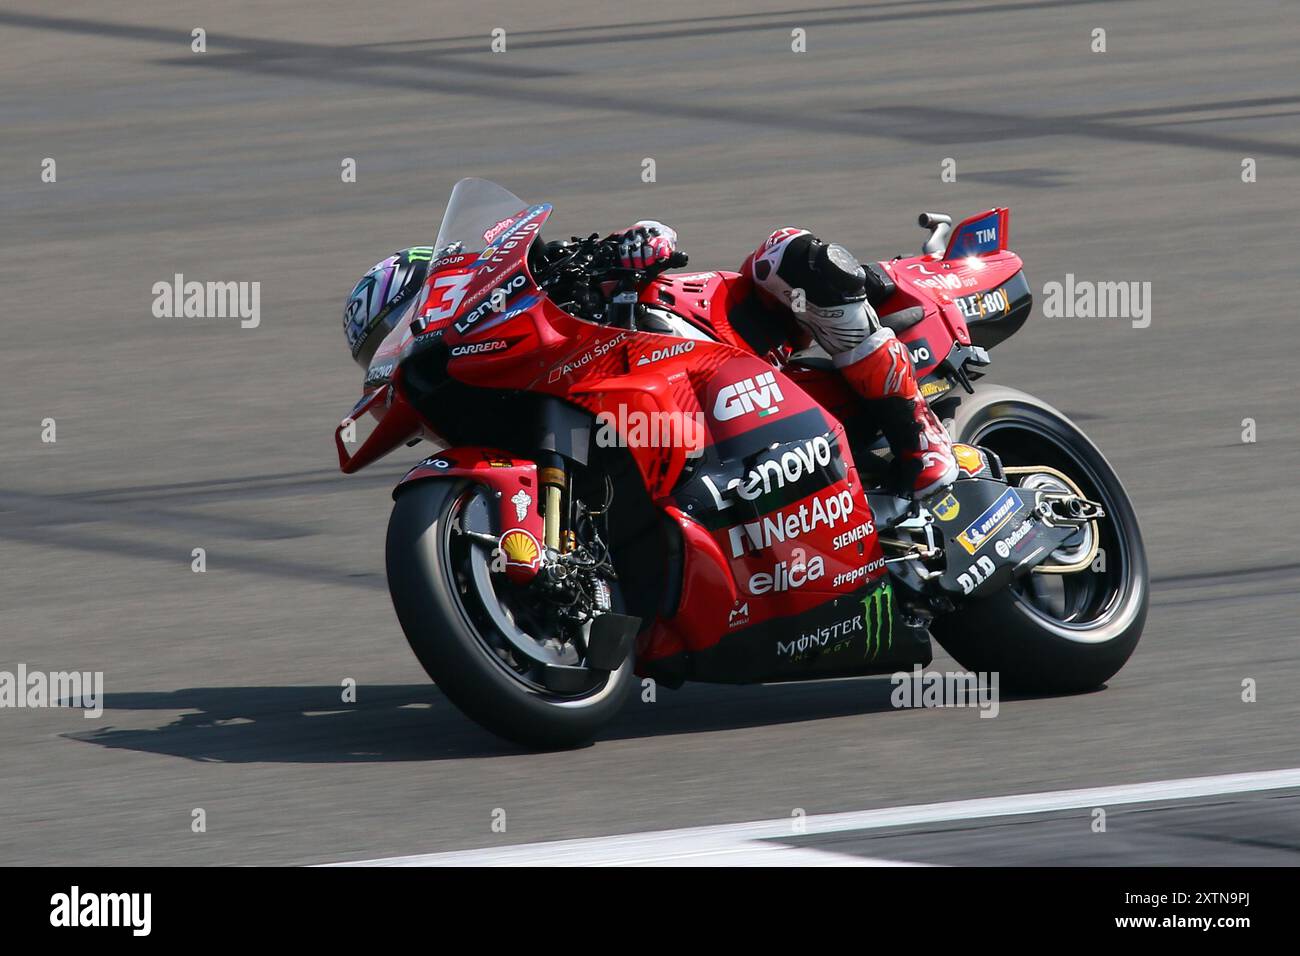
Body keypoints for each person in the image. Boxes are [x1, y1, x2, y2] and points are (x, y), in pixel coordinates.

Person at [343, 223, 958, 501]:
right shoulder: (480, 393)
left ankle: (921, 439)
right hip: (684, 429)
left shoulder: (538, 288)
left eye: (400, 326)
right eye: (381, 351)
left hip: (742, 345)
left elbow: (643, 239)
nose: (401, 347)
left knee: (785, 255)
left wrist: (629, 248)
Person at [614, 221, 958, 499]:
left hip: (758, 372)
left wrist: (631, 241)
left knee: (795, 256)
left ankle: (922, 440)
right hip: (718, 437)